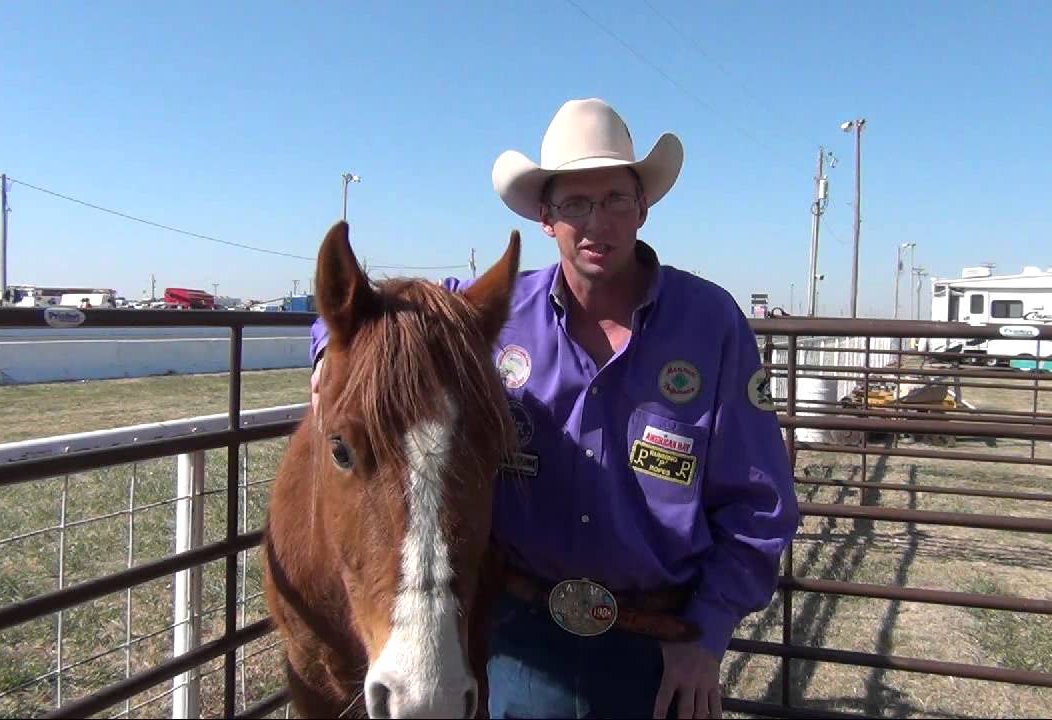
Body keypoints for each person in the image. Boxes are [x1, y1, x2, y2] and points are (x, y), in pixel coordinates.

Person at [308, 98, 800, 719]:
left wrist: (705, 633)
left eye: (617, 199)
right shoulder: (495, 315)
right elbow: (378, 317)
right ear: (546, 216)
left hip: (662, 644)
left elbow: (760, 502)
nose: (599, 223)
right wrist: (330, 349)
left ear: (644, 206)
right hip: (524, 641)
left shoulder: (711, 323)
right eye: (576, 204)